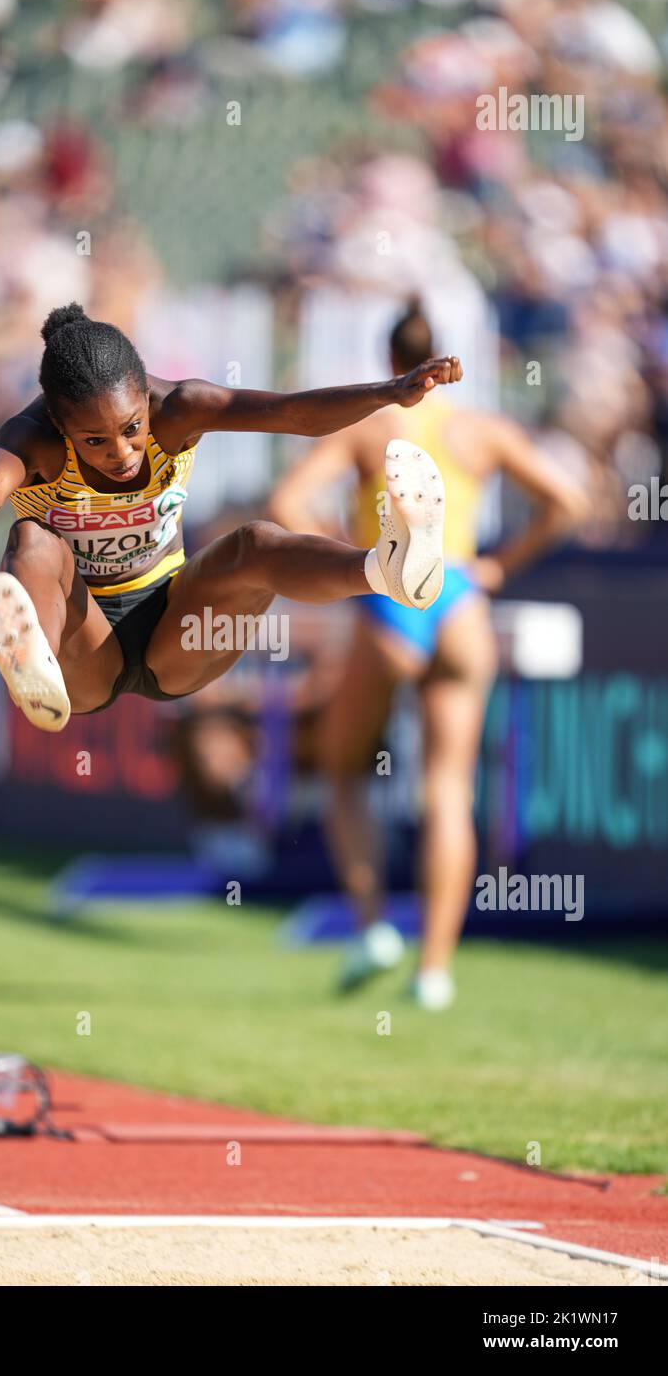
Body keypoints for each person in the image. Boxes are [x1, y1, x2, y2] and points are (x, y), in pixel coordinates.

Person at [0, 302, 461, 729]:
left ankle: (385, 570)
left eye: (131, 427)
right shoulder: (31, 439)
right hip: (87, 654)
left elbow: (295, 415)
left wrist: (391, 391)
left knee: (256, 542)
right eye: (94, 441)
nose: (121, 453)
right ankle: (33, 671)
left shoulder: (181, 408)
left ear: (145, 396)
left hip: (181, 632)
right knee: (31, 540)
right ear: (60, 427)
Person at [269, 299, 586, 1009]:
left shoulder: (368, 426)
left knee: (345, 772)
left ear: (390, 363)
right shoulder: (481, 430)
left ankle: (374, 929)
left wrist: (351, 563)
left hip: (393, 601)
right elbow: (567, 500)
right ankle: (435, 970)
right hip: (460, 596)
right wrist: (502, 564)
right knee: (447, 790)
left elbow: (287, 500)